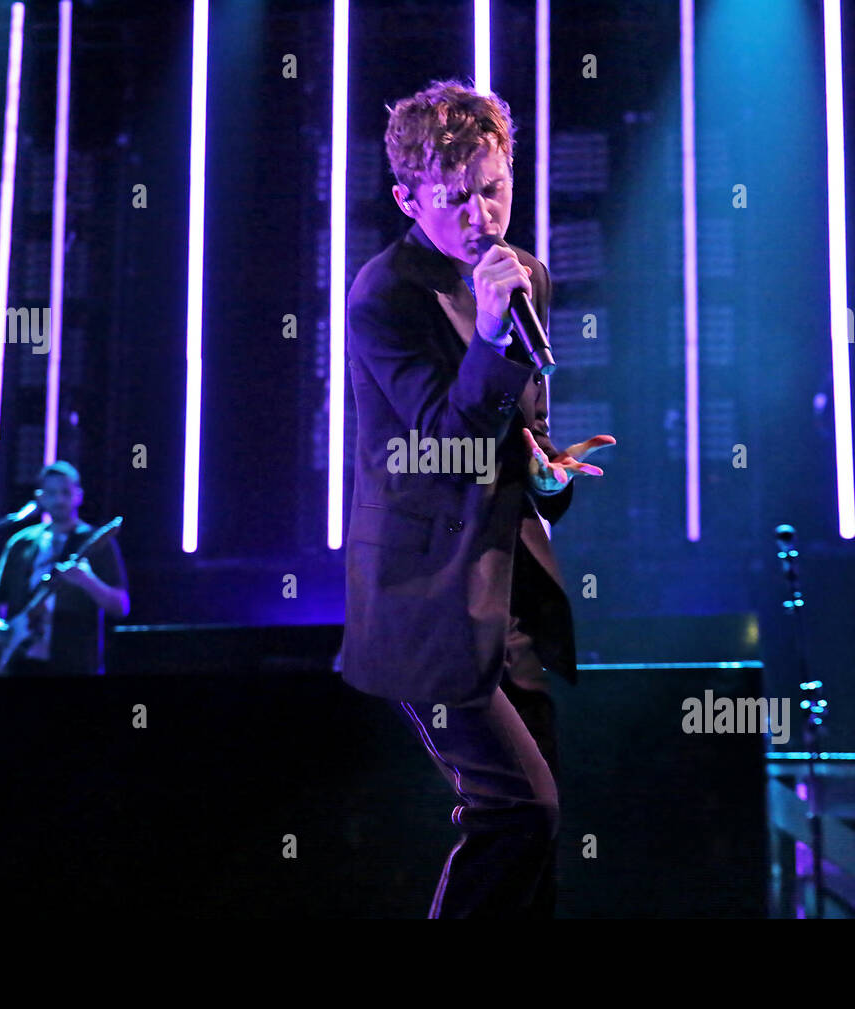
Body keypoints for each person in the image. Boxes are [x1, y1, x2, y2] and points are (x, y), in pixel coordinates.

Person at [340, 79, 615, 917]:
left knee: (542, 834)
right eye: (456, 197)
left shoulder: (521, 273)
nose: (481, 214)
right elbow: (448, 441)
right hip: (427, 600)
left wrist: (545, 472)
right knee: (518, 810)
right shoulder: (385, 295)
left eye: (493, 189)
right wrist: (493, 335)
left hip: (510, 589)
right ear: (407, 198)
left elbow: (517, 432)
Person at [0, 461, 129, 676]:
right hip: (20, 662)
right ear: (40, 497)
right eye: (51, 493)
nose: (59, 499)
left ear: (79, 495)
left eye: (66, 492)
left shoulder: (97, 543)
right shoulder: (21, 542)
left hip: (72, 662)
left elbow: (121, 606)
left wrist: (87, 580)